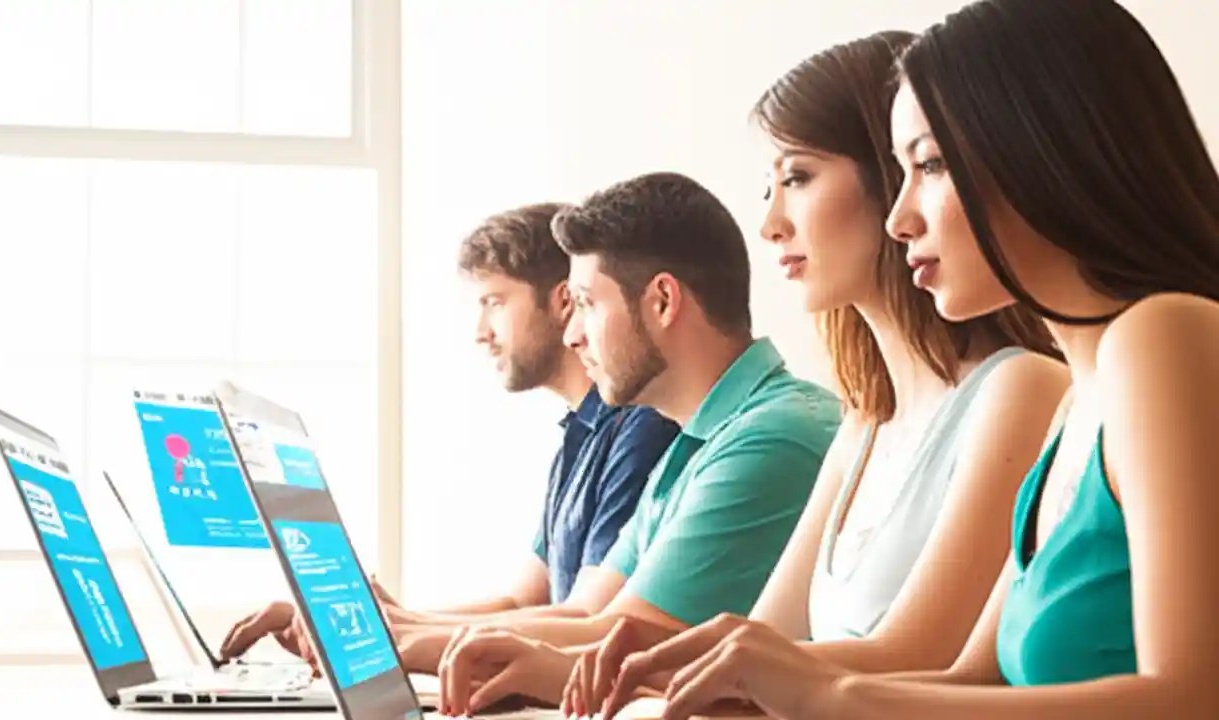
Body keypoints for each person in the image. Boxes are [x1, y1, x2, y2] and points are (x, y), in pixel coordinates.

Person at [605, 2, 1219, 718]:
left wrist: (825, 696)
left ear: (1040, 149)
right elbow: (972, 681)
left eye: (930, 165)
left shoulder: (1162, 336)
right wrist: (764, 674)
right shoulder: (1077, 400)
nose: (901, 218)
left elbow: (1190, 698)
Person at [453, 30, 1070, 719]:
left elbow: (916, 660)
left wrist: (587, 667)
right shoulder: (863, 422)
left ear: (889, 179)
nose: (771, 223)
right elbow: (768, 647)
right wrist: (560, 665)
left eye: (798, 178)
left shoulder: (1018, 389)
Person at [430, 170, 843, 715]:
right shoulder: (692, 442)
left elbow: (623, 646)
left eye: (587, 304)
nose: (573, 334)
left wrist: (423, 645)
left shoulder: (773, 438)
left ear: (663, 301)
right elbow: (594, 621)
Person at [216, 202, 678, 669]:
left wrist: (388, 633)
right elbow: (520, 602)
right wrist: (389, 618)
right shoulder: (578, 437)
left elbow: (583, 615)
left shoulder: (641, 429)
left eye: (494, 302)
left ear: (562, 302)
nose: (481, 332)